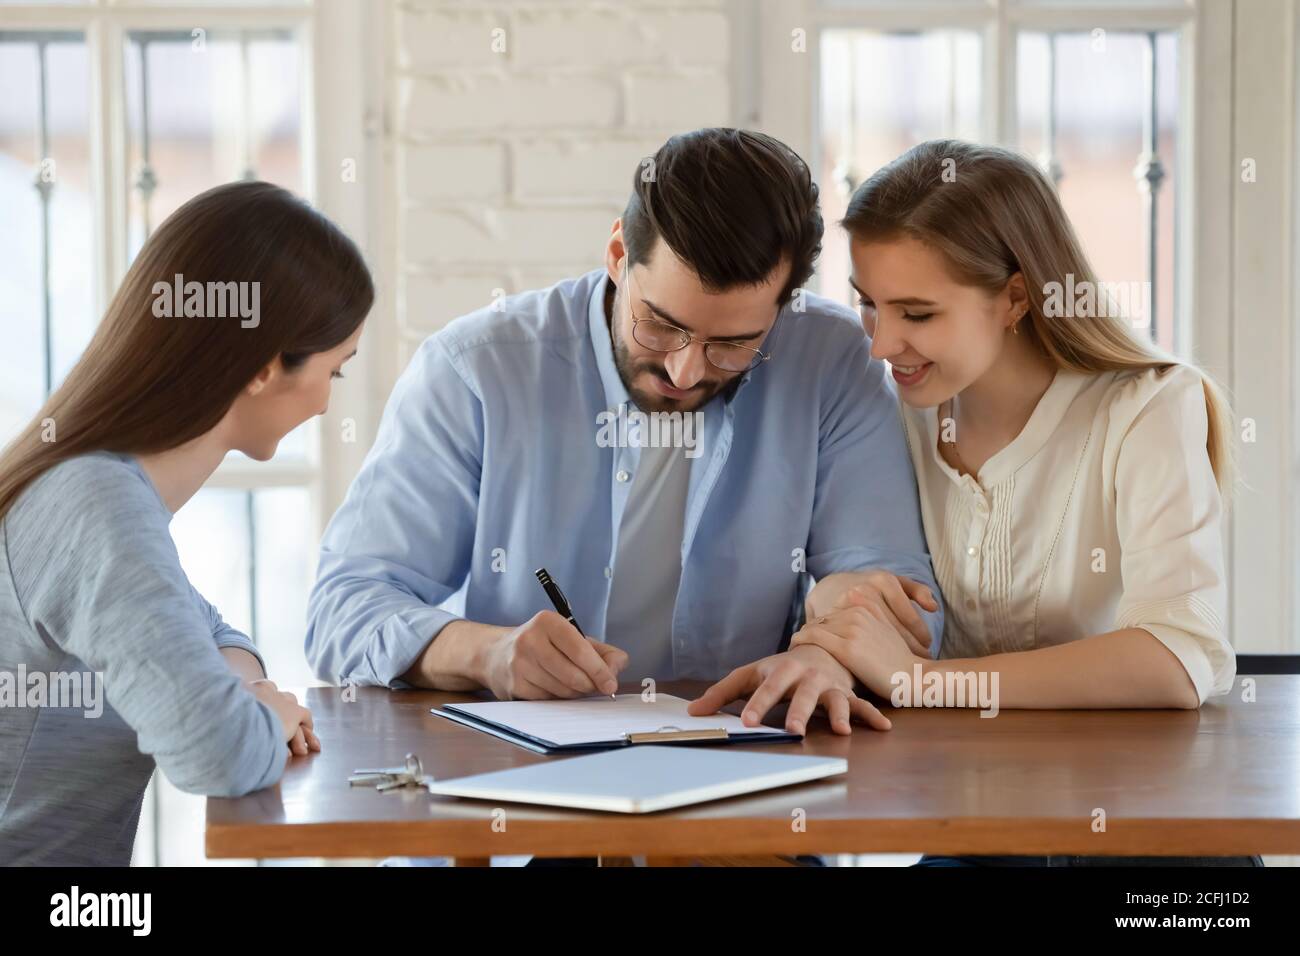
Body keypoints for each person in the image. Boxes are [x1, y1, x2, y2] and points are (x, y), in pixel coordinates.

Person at [695, 139, 1253, 866]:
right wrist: (835, 614)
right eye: (869, 305)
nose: (882, 343)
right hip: (974, 820)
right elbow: (858, 581)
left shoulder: (1147, 408)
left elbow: (1179, 659)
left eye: (918, 314)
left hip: (1147, 824)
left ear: (1015, 298)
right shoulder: (893, 411)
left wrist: (922, 683)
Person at [307, 127, 941, 738]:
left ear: (783, 308)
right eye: (661, 325)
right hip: (523, 788)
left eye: (733, 343)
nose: (684, 369)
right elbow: (343, 607)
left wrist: (833, 656)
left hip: (751, 766)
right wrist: (487, 653)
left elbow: (902, 601)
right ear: (618, 255)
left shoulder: (831, 363)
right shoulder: (479, 368)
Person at [0, 181, 371, 866]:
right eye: (335, 372)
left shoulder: (98, 484)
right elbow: (218, 753)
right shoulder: (94, 503)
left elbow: (214, 630)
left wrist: (242, 685)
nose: (325, 403)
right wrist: (268, 712)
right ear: (264, 369)